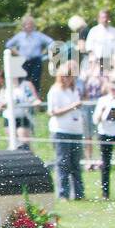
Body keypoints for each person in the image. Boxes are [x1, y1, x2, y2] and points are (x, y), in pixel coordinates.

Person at [47, 63, 85, 200]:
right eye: (65, 76)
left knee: (76, 163)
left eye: (69, 76)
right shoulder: (55, 91)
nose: (67, 79)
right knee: (63, 163)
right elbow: (53, 111)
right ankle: (63, 193)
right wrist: (72, 106)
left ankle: (79, 193)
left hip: (76, 130)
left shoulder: (74, 90)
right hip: (61, 130)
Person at [4, 16, 54, 89]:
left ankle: (36, 96)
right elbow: (8, 45)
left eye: (30, 24)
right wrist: (18, 53)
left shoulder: (38, 35)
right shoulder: (20, 36)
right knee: (23, 80)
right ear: (23, 26)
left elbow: (51, 42)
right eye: (27, 24)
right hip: (23, 61)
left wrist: (44, 51)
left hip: (36, 60)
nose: (28, 26)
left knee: (35, 80)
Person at [3, 70, 42, 150]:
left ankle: (29, 160)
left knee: (24, 143)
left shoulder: (25, 85)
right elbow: (1, 101)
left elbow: (32, 98)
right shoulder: (6, 86)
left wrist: (35, 102)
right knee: (12, 144)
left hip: (22, 117)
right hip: (9, 118)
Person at [79, 56, 104, 169]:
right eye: (90, 62)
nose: (93, 64)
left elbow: (104, 90)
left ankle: (100, 159)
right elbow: (81, 90)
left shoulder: (102, 75)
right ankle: (88, 160)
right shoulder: (83, 75)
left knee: (100, 134)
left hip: (99, 105)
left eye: (95, 62)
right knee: (87, 135)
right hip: (87, 107)